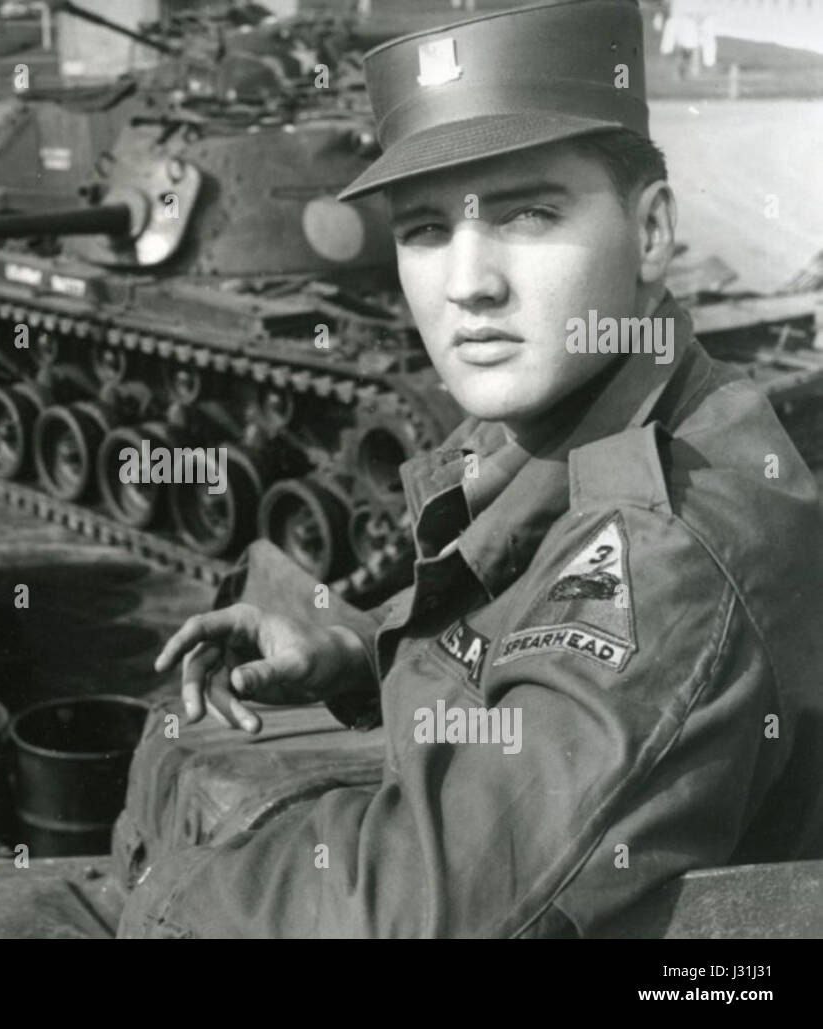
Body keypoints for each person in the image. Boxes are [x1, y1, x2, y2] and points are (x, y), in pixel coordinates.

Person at [116, 0, 823, 938]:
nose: (468, 284)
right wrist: (361, 653)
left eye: (530, 212)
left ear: (651, 233)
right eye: (423, 230)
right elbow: (534, 665)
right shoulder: (601, 413)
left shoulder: (668, 546)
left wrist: (156, 881)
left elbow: (412, 917)